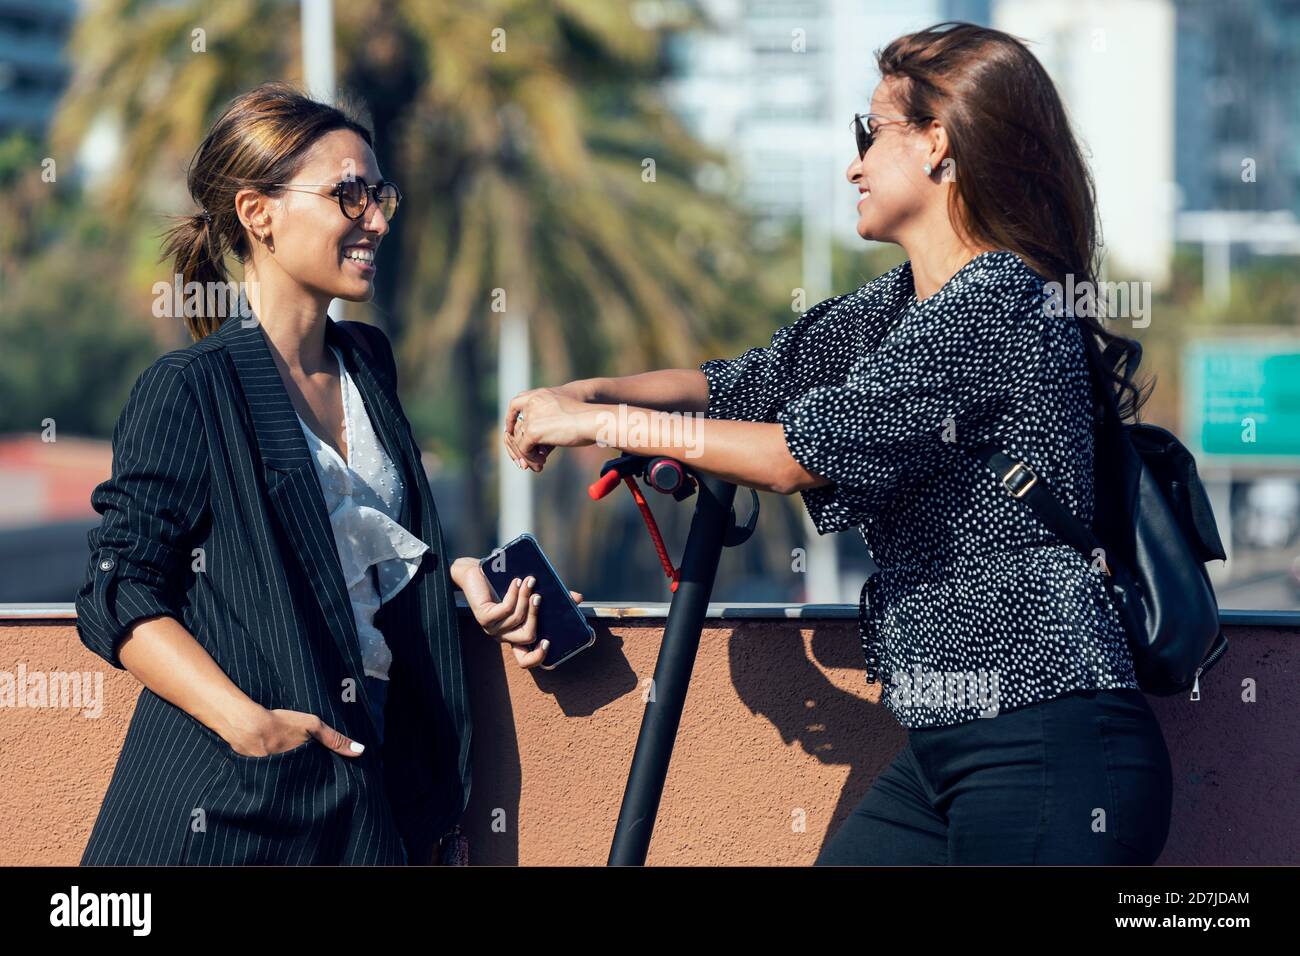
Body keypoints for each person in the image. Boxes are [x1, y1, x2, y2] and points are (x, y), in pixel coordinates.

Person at [501, 22, 1173, 865]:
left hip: (1050, 742)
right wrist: (585, 392)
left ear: (939, 144)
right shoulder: (900, 306)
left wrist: (604, 426)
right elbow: (745, 383)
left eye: (870, 134)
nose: (853, 165)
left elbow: (793, 454)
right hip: (948, 749)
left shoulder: (1001, 300)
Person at [74, 83, 576, 866]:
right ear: (258, 213)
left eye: (379, 194)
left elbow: (342, 555)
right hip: (224, 810)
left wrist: (455, 582)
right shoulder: (193, 388)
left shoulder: (367, 361)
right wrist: (249, 724)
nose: (376, 218)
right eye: (348, 194)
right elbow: (118, 591)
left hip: (364, 797)